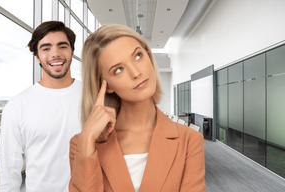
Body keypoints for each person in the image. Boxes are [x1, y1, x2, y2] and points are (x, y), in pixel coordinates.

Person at [69, 24, 205, 192]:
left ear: (149, 56)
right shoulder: (82, 144)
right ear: (107, 86)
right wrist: (88, 137)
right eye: (118, 69)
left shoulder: (190, 140)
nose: (135, 73)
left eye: (138, 56)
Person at [0, 21, 82, 191]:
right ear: (37, 56)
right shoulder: (16, 107)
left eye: (62, 46)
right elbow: (9, 174)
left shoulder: (93, 97)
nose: (55, 54)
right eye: (46, 48)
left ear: (72, 52)